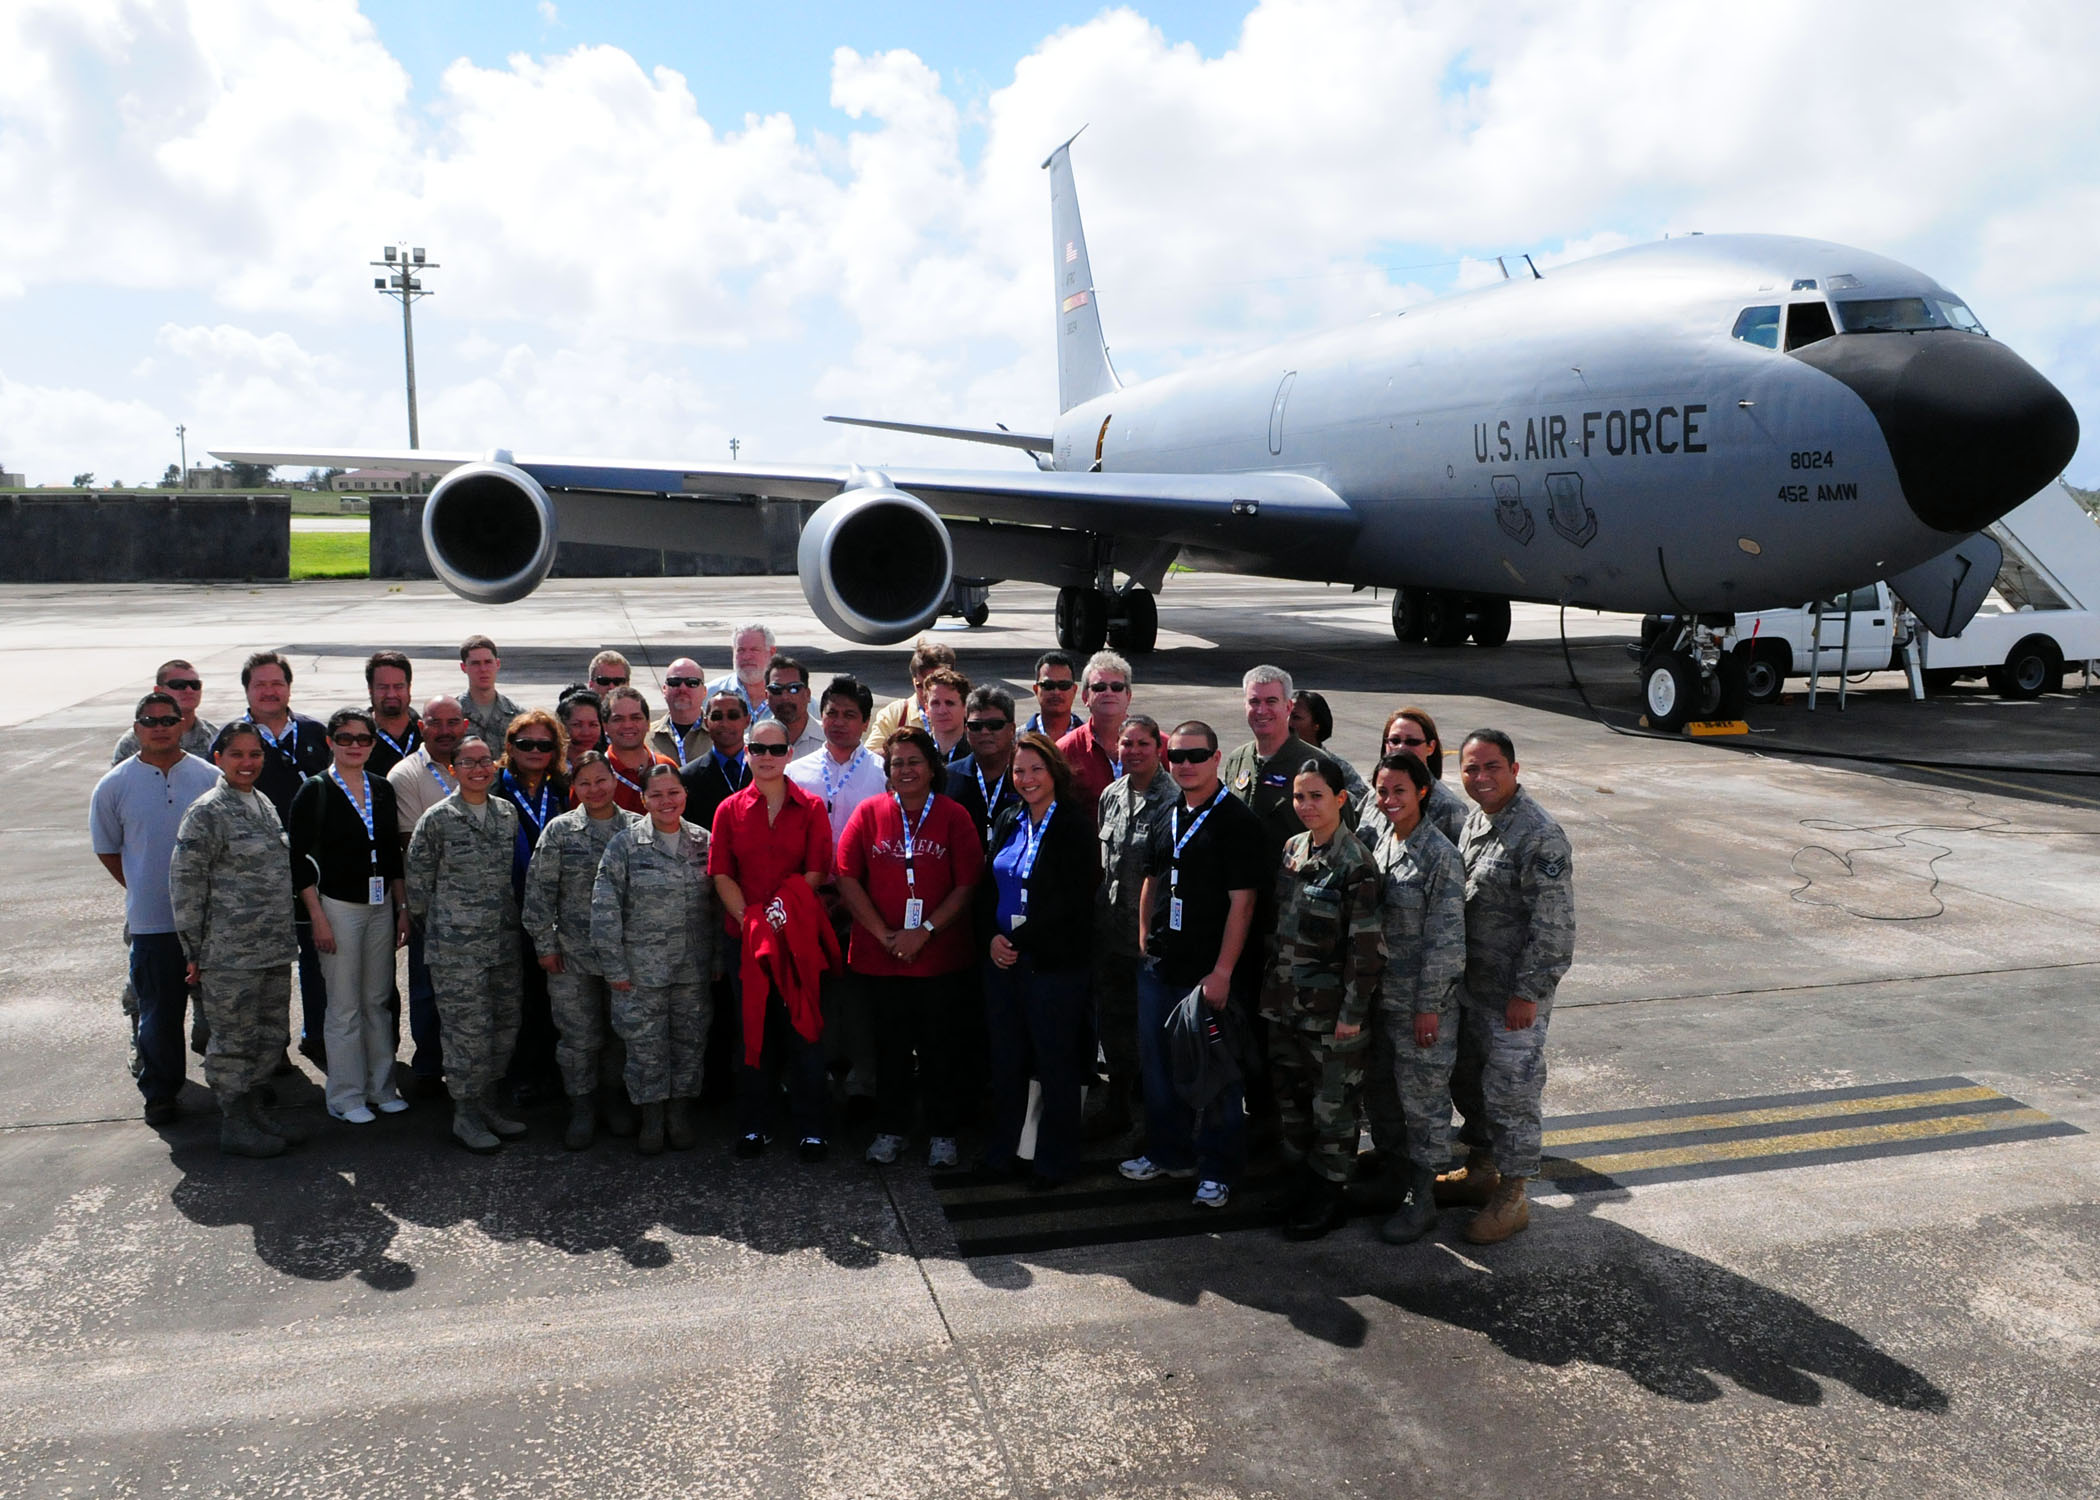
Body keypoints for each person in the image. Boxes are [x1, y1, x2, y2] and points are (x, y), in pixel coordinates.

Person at [1122, 720, 1265, 1210]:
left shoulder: (1236, 822)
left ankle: (1218, 1169)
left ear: (1216, 757)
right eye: (1176, 757)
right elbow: (1152, 875)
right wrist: (1144, 937)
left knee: (1215, 1075)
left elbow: (1242, 904)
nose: (1185, 765)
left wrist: (1222, 972)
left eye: (1195, 756)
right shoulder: (1170, 812)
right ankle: (1169, 1153)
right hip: (1161, 966)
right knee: (1159, 1069)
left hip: (1207, 976)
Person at [1442, 729, 1575, 1245]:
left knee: (1513, 1095)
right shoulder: (1478, 819)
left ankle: (1514, 1195)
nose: (1480, 777)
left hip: (1514, 999)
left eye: (1492, 767)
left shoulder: (1539, 834)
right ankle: (1482, 1169)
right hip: (1474, 987)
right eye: (1471, 769)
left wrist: (1528, 994)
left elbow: (1555, 928)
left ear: (1514, 770)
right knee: (1473, 1085)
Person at [834, 726, 983, 1171]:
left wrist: (927, 931)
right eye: (897, 763)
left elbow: (967, 883)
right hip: (882, 960)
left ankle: (942, 1131)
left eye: (914, 761)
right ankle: (891, 1128)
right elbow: (846, 877)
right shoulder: (869, 812)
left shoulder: (954, 815)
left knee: (941, 1049)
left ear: (932, 768)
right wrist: (885, 936)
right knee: (889, 1050)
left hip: (940, 958)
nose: (905, 770)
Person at [167, 722, 308, 1156]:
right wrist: (193, 949)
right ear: (218, 759)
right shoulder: (207, 810)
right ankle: (235, 1121)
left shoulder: (262, 803)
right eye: (238, 755)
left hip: (271, 948)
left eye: (255, 754)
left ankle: (253, 1109)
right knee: (232, 1042)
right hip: (228, 954)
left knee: (270, 1035)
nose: (248, 763)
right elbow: (186, 884)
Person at [1260, 758, 1385, 1240]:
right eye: (1299, 797)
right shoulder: (1293, 849)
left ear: (1340, 799)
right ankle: (1301, 1183)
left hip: (1332, 1016)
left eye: (1316, 796)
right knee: (1292, 1104)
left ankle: (1331, 1196)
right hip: (1286, 1006)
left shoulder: (1355, 863)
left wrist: (1353, 1015)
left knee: (1333, 1111)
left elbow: (1366, 947)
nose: (1306, 806)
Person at [92, 692, 224, 1124]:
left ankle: (235, 1089)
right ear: (137, 729)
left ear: (182, 724)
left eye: (169, 719)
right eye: (150, 720)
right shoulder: (114, 785)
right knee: (159, 1016)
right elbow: (109, 849)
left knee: (223, 1013)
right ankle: (161, 1093)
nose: (160, 726)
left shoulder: (208, 777)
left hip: (210, 921)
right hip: (153, 924)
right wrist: (143, 888)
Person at [708, 717, 835, 1159]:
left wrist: (780, 915)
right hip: (745, 939)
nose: (766, 758)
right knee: (752, 1032)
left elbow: (817, 869)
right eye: (757, 750)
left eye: (776, 750)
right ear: (746, 752)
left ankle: (811, 1126)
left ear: (790, 754)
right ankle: (753, 1124)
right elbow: (721, 872)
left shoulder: (813, 807)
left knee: (804, 1029)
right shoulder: (728, 809)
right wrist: (751, 921)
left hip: (797, 937)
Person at [1359, 752, 1468, 1245]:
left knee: (1423, 1104)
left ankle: (1422, 1199)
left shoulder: (1439, 856)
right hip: (1380, 999)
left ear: (1422, 792)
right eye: (1382, 791)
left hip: (1420, 1006)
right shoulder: (1383, 840)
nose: (1388, 800)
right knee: (1380, 1092)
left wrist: (1429, 1007)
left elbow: (1446, 942)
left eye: (1399, 791)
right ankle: (1393, 1174)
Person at [979, 733, 1097, 1188]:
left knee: (1055, 1064)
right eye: (1019, 771)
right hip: (1004, 962)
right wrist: (992, 938)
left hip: (1054, 965)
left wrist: (1020, 939)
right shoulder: (1009, 817)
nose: (1026, 779)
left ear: (1054, 773)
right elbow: (989, 883)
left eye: (1035, 770)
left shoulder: (1072, 825)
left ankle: (1055, 1159)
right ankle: (1003, 1152)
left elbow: (1071, 900)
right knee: (1006, 1062)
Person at [403, 734, 527, 1154]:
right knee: (465, 1035)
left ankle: (488, 1104)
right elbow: (418, 890)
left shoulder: (506, 814)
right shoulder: (438, 819)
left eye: (485, 761)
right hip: (457, 951)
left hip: (502, 942)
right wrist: (447, 928)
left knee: (502, 1028)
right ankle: (465, 1114)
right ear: (452, 769)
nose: (479, 769)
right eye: (468, 763)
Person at [289, 708, 410, 1124]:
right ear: (331, 742)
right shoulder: (315, 790)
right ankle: (345, 1096)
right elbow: (299, 862)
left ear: (373, 743)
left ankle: (382, 1087)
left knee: (377, 1001)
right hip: (337, 907)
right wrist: (317, 917)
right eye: (345, 738)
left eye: (363, 738)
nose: (354, 745)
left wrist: (401, 908)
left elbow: (392, 854)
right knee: (343, 1006)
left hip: (380, 907)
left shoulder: (381, 788)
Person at [591, 763, 715, 1155]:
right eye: (657, 794)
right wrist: (615, 969)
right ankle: (652, 1118)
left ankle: (678, 1114)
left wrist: (716, 962)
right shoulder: (624, 846)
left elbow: (716, 907)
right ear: (643, 799)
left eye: (673, 793)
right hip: (640, 972)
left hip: (691, 969)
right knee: (645, 1048)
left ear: (684, 795)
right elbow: (605, 909)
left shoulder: (703, 841)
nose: (666, 801)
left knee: (689, 1044)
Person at [523, 752, 640, 1148]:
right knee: (578, 1037)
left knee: (619, 1034)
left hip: (623, 957)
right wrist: (545, 945)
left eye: (601, 780)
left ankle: (613, 1100)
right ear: (575, 788)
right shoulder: (560, 831)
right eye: (585, 783)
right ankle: (582, 1106)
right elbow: (538, 893)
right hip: (571, 956)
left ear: (614, 781)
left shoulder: (637, 829)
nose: (595, 789)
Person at [787, 675, 888, 1114]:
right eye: (831, 713)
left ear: (866, 723)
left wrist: (852, 898)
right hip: (810, 900)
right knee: (815, 991)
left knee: (863, 995)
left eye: (850, 715)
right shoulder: (796, 771)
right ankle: (818, 1075)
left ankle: (866, 1079)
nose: (839, 722)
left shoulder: (884, 773)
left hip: (866, 902)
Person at [239, 650, 334, 1066]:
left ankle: (317, 1033)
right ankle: (270, 1048)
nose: (269, 691)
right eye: (260, 684)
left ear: (289, 687)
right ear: (247, 690)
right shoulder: (233, 739)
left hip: (310, 873)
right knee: (266, 968)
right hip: (255, 878)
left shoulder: (316, 733)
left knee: (317, 958)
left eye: (277, 683)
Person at [1088, 713, 1175, 1143]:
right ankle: (1118, 1106)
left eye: (1143, 744)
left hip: (1151, 942)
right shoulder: (1111, 795)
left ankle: (1157, 1124)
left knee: (1154, 1034)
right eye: (1127, 744)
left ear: (1158, 748)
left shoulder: (1172, 800)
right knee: (1116, 1029)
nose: (1134, 752)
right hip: (1111, 937)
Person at [386, 694, 468, 1094]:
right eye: (436, 723)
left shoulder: (474, 764)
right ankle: (428, 1067)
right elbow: (410, 843)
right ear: (422, 727)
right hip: (430, 904)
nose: (446, 731)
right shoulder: (406, 775)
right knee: (427, 989)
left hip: (475, 905)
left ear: (465, 726)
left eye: (454, 722)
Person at [498, 708, 570, 1107]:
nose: (535, 751)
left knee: (553, 997)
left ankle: (553, 1074)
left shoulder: (562, 789)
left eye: (545, 744)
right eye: (526, 744)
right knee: (517, 999)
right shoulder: (494, 789)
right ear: (510, 747)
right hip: (510, 911)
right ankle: (520, 1075)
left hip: (556, 911)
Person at [1378, 707, 1468, 845]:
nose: (1401, 747)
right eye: (1395, 741)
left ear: (1430, 747)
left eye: (1412, 742)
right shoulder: (1375, 795)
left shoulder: (1448, 808)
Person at [1056, 649, 1132, 813]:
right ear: (1085, 697)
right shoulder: (1064, 750)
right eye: (1099, 687)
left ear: (1129, 696)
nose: (1108, 693)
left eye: (1117, 687)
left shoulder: (1159, 745)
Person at [945, 684, 1019, 839]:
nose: (985, 732)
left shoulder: (1029, 776)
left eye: (994, 725)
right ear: (966, 731)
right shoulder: (948, 778)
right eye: (976, 726)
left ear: (1012, 729)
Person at [678, 689, 753, 832]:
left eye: (733, 716)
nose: (724, 723)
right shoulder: (687, 777)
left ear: (747, 720)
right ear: (707, 722)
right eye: (717, 716)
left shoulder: (765, 769)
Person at [112, 660, 217, 762]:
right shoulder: (134, 742)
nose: (189, 690)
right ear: (158, 690)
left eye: (195, 685)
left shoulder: (214, 736)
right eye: (178, 685)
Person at [865, 635, 956, 747]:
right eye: (920, 686)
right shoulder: (895, 714)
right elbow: (871, 756)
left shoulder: (967, 712)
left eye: (935, 686)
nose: (926, 694)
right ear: (913, 681)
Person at [603, 686, 676, 815]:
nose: (627, 725)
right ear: (605, 727)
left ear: (648, 723)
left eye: (635, 718)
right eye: (618, 719)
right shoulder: (593, 774)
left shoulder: (667, 766)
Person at [1288, 689, 1369, 802]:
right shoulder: (1271, 760)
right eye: (1285, 715)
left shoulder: (1338, 767)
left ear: (1316, 725)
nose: (1288, 723)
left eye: (1296, 717)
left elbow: (1363, 806)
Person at [457, 635, 522, 750]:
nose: (483, 669)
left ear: (497, 664)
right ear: (463, 667)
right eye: (475, 663)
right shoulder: (452, 714)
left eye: (488, 662)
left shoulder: (517, 715)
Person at [364, 651, 420, 777]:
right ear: (370, 689)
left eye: (398, 686)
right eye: (383, 687)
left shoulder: (427, 734)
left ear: (409, 688)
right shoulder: (355, 739)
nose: (391, 694)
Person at [763, 654, 827, 761]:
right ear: (766, 697)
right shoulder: (755, 745)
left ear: (808, 694)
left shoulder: (831, 740)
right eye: (776, 689)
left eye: (794, 688)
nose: (785, 697)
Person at [708, 621, 776, 721]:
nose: (747, 657)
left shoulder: (792, 697)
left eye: (754, 650)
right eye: (741, 650)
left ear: (771, 652)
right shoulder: (709, 694)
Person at [649, 657, 710, 765]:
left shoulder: (721, 735)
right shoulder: (646, 736)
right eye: (674, 682)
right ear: (664, 689)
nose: (682, 688)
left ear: (704, 691)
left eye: (692, 682)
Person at [1022, 650, 1084, 738]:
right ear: (1036, 690)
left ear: (1074, 690)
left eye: (1064, 685)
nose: (1056, 692)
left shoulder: (1091, 739)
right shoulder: (1017, 740)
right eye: (1048, 685)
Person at [919, 666, 972, 764]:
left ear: (965, 708)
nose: (942, 711)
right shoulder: (917, 753)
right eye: (935, 703)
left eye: (949, 703)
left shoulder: (978, 755)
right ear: (926, 709)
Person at [556, 688, 606, 766]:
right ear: (562, 726)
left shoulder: (608, 765)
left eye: (593, 725)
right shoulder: (550, 766)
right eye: (577, 725)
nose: (586, 733)